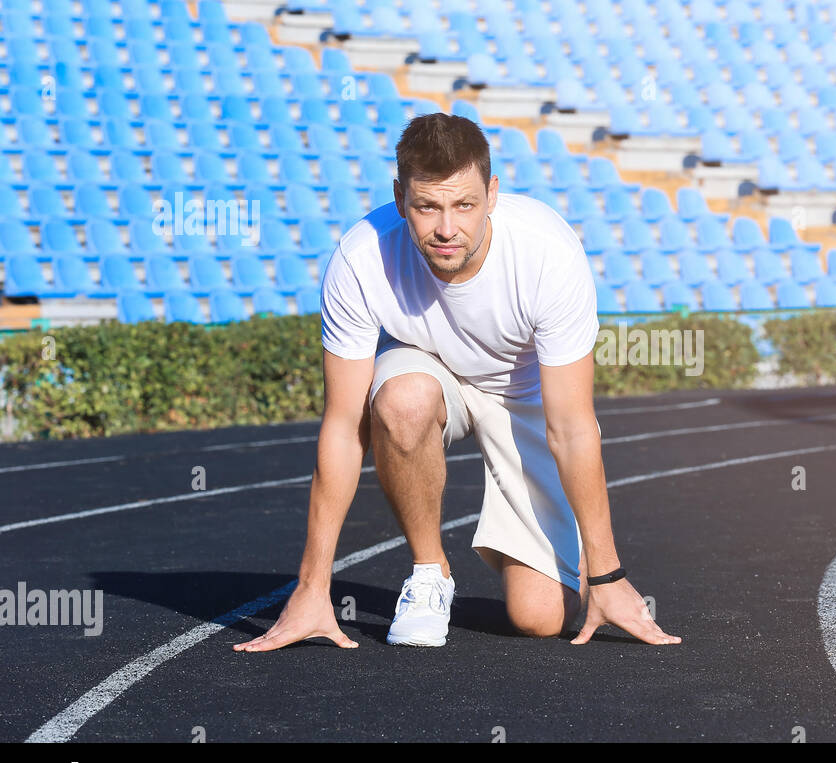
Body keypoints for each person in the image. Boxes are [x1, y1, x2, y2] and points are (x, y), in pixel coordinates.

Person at [233, 113, 680, 651]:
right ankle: (430, 573)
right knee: (400, 401)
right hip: (428, 371)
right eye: (428, 207)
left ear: (492, 193)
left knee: (539, 617)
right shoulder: (360, 259)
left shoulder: (548, 253)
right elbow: (343, 427)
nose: (447, 229)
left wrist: (608, 576)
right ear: (401, 198)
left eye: (464, 205)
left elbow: (572, 427)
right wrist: (312, 585)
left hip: (523, 396)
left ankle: (569, 565)